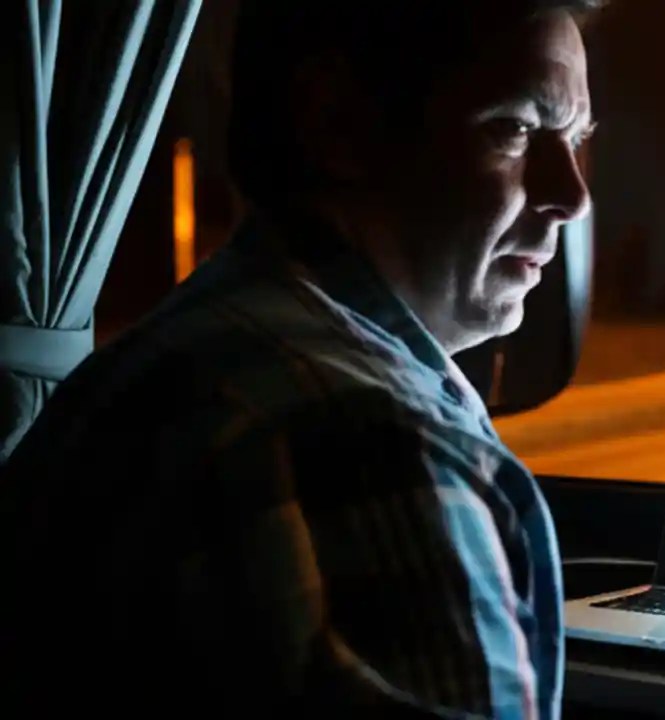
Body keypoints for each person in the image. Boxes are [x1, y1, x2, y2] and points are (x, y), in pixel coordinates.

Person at [0, 1, 596, 716]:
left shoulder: (169, 354)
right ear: (336, 125)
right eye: (516, 129)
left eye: (575, 139)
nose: (572, 195)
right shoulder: (365, 445)